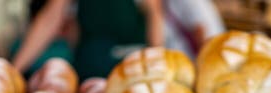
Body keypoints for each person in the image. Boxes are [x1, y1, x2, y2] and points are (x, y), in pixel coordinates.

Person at [12, 0, 164, 78]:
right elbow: (49, 20)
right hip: (88, 74)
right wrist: (15, 70)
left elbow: (155, 18)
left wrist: (159, 69)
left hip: (131, 72)